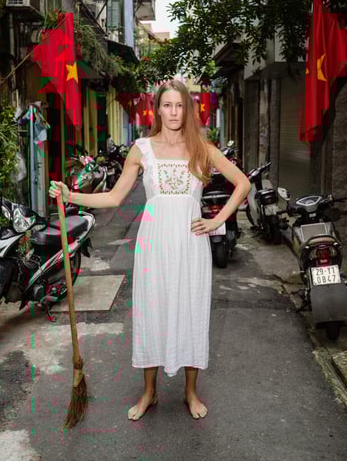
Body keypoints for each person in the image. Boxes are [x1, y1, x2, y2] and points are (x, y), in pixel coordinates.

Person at [49, 79, 251, 421]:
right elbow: (114, 197)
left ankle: (190, 392)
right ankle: (149, 392)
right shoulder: (142, 149)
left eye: (179, 105)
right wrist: (71, 196)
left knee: (191, 311)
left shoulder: (202, 148)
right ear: (157, 109)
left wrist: (217, 221)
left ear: (187, 109)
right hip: (153, 245)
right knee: (151, 313)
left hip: (191, 247)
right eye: (167, 105)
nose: (173, 112)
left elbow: (242, 183)